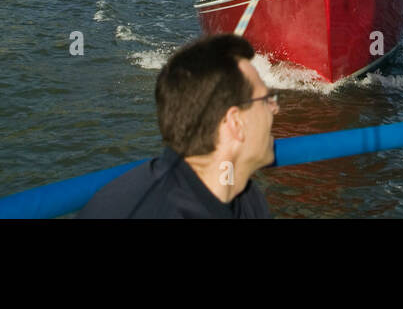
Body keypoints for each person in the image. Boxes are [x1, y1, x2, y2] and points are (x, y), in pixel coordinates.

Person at [78, 34, 277, 218]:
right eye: (267, 99)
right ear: (235, 122)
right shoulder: (141, 211)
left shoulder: (245, 197)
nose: (276, 108)